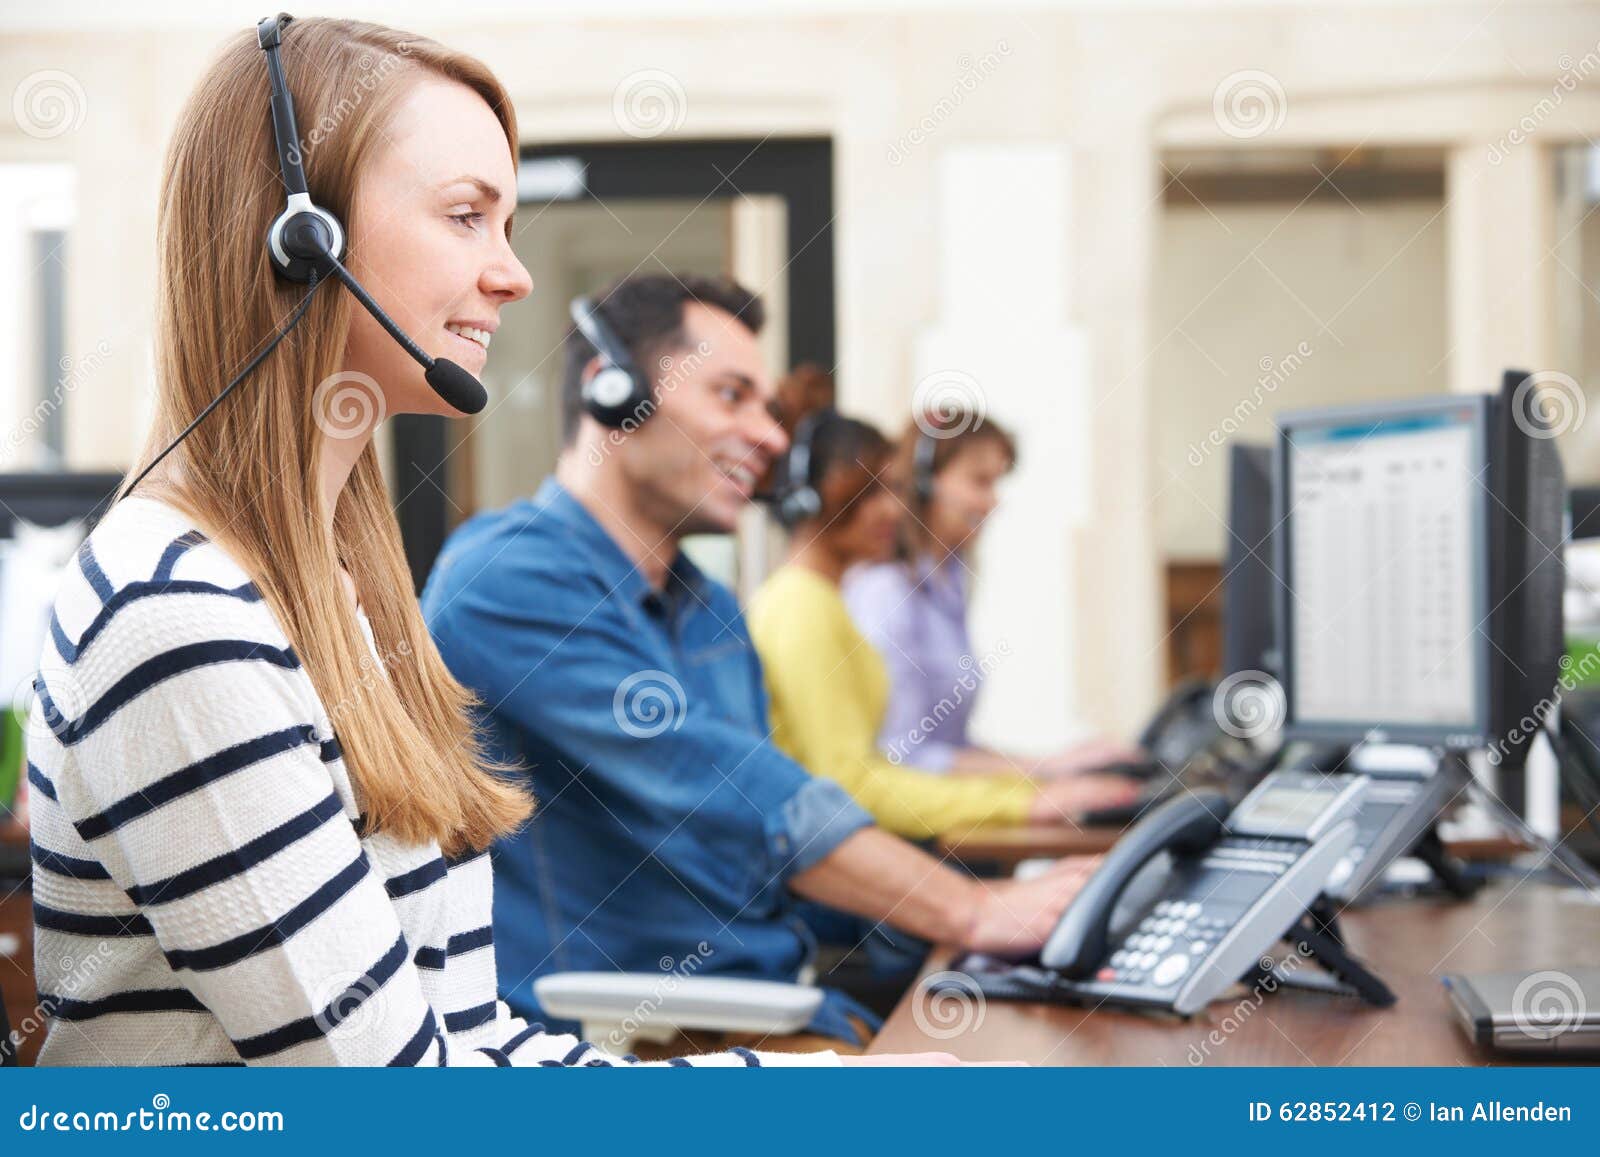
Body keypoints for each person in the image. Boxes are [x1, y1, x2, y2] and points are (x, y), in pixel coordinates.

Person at [22, 16, 872, 1067]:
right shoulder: (179, 615)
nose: (511, 275)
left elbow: (465, 1041)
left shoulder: (343, 599)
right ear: (302, 238)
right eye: (467, 216)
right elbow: (400, 1105)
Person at [422, 274, 1101, 1053]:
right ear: (610, 391)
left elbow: (764, 845)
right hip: (642, 1036)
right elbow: (742, 798)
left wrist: (968, 912)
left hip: (775, 999)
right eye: (732, 395)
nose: (774, 437)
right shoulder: (508, 578)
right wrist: (968, 911)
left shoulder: (708, 604)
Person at [747, 404, 1140, 840]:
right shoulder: (807, 606)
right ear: (826, 496)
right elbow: (854, 783)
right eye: (877, 491)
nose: (896, 510)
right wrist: (1028, 798)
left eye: (895, 489)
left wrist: (1041, 782)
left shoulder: (831, 600)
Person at [844, 412, 1139, 778]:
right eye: (980, 482)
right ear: (923, 484)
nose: (992, 502)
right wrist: (1044, 769)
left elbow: (951, 749)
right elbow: (900, 755)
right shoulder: (884, 592)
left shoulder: (948, 583)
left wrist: (1060, 764)